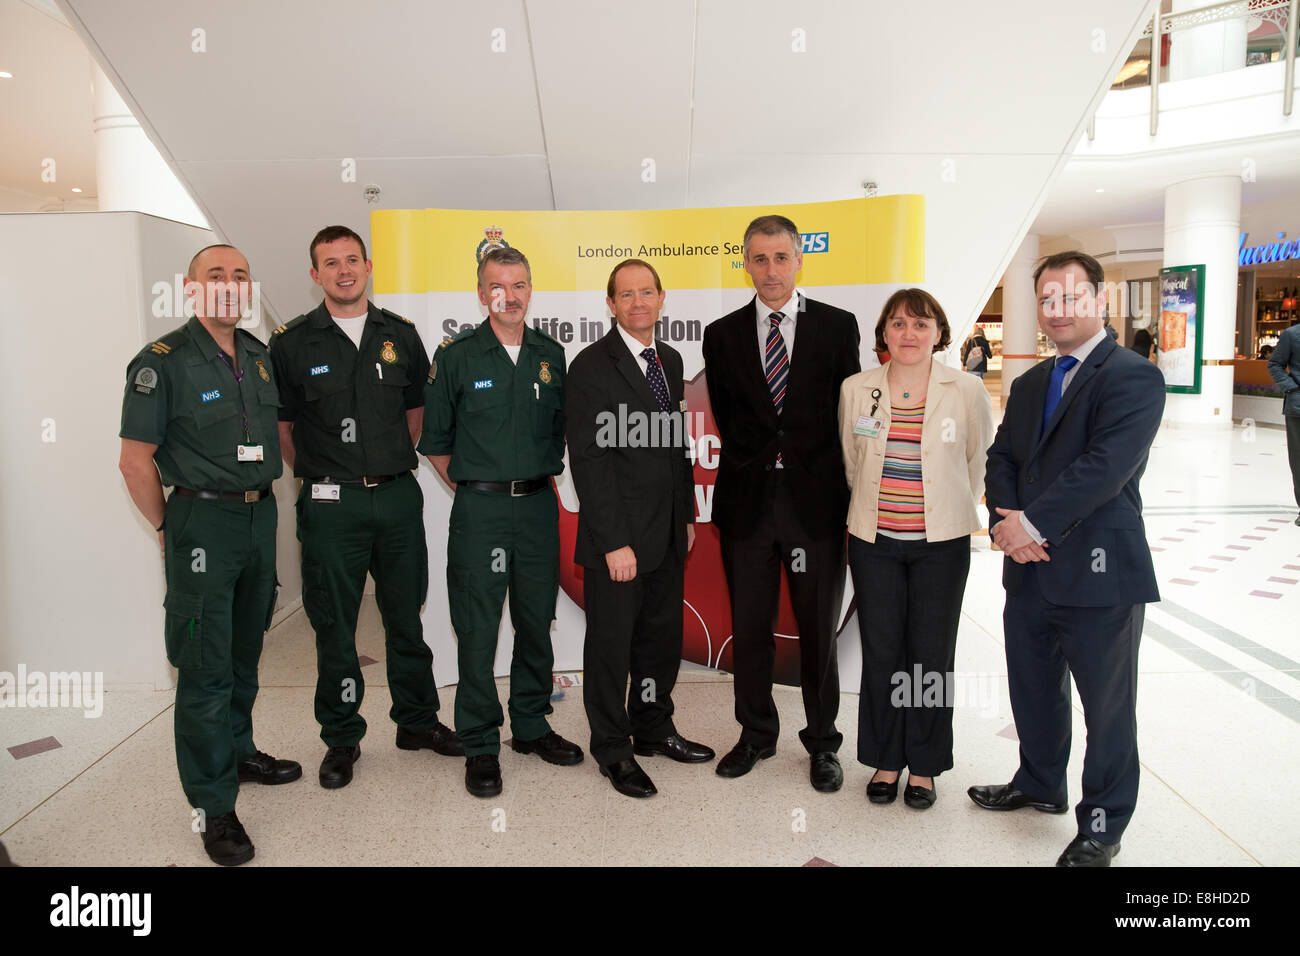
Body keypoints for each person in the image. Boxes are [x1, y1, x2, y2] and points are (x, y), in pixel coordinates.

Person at [972, 250, 1165, 867]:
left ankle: (1102, 827)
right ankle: (1039, 783)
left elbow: (1104, 469)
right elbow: (1001, 459)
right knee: (1033, 687)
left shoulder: (1132, 376)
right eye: (1046, 300)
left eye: (1069, 297)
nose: (1056, 310)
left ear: (1100, 300)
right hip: (1028, 569)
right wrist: (1010, 526)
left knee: (1107, 707)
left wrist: (1030, 523)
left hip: (1099, 573)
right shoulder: (1030, 382)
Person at [119, 244, 300, 866]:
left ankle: (240, 751)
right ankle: (212, 804)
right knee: (202, 666)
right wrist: (171, 525)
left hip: (258, 514)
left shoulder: (258, 355)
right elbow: (134, 460)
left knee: (245, 649)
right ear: (192, 288)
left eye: (241, 276)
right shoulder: (161, 362)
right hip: (202, 517)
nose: (230, 284)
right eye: (216, 275)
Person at [269, 225, 461, 791]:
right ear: (315, 275)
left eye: (352, 260)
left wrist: (383, 462)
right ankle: (342, 738)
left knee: (407, 618)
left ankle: (418, 724)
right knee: (335, 627)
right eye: (331, 263)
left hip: (398, 496)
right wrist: (330, 471)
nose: (343, 271)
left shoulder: (399, 335)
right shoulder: (291, 342)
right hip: (331, 504)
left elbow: (415, 414)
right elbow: (285, 430)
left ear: (368, 265)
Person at [702, 214, 861, 793]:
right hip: (746, 509)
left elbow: (846, 416)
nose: (770, 270)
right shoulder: (720, 335)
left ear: (799, 260)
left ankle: (822, 742)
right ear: (745, 262)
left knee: (819, 628)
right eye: (759, 259)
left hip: (816, 507)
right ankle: (756, 734)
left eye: (780, 257)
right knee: (751, 628)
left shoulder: (838, 327)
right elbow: (730, 417)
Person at [419, 246, 583, 798]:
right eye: (497, 286)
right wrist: (479, 484)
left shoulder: (550, 355)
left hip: (538, 505)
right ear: (481, 291)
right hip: (482, 511)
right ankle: (481, 743)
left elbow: (561, 432)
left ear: (530, 290)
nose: (508, 296)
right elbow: (437, 444)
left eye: (518, 285)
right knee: (478, 627)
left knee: (536, 622)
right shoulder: (458, 355)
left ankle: (532, 728)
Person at [839, 289, 994, 810]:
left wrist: (945, 511)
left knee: (930, 657)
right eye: (899, 324)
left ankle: (924, 766)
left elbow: (977, 463)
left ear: (939, 334)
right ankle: (886, 758)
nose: (909, 334)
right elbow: (851, 462)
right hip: (875, 544)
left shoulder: (966, 389)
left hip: (940, 548)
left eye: (921, 324)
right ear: (883, 332)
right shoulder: (858, 389)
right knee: (883, 653)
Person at [565, 259, 714, 798]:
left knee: (658, 641)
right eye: (626, 295)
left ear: (661, 297)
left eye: (646, 292)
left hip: (669, 532)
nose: (638, 302)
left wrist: (689, 517)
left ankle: (652, 728)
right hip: (619, 542)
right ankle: (613, 748)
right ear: (611, 304)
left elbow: (675, 447)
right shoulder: (589, 367)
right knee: (611, 646)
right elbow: (590, 463)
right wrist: (614, 541)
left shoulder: (670, 359)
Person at [1267, 319, 1300, 526]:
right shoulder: (1292, 334)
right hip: (1298, 407)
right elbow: (1275, 364)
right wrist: (1292, 388)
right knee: (1298, 460)